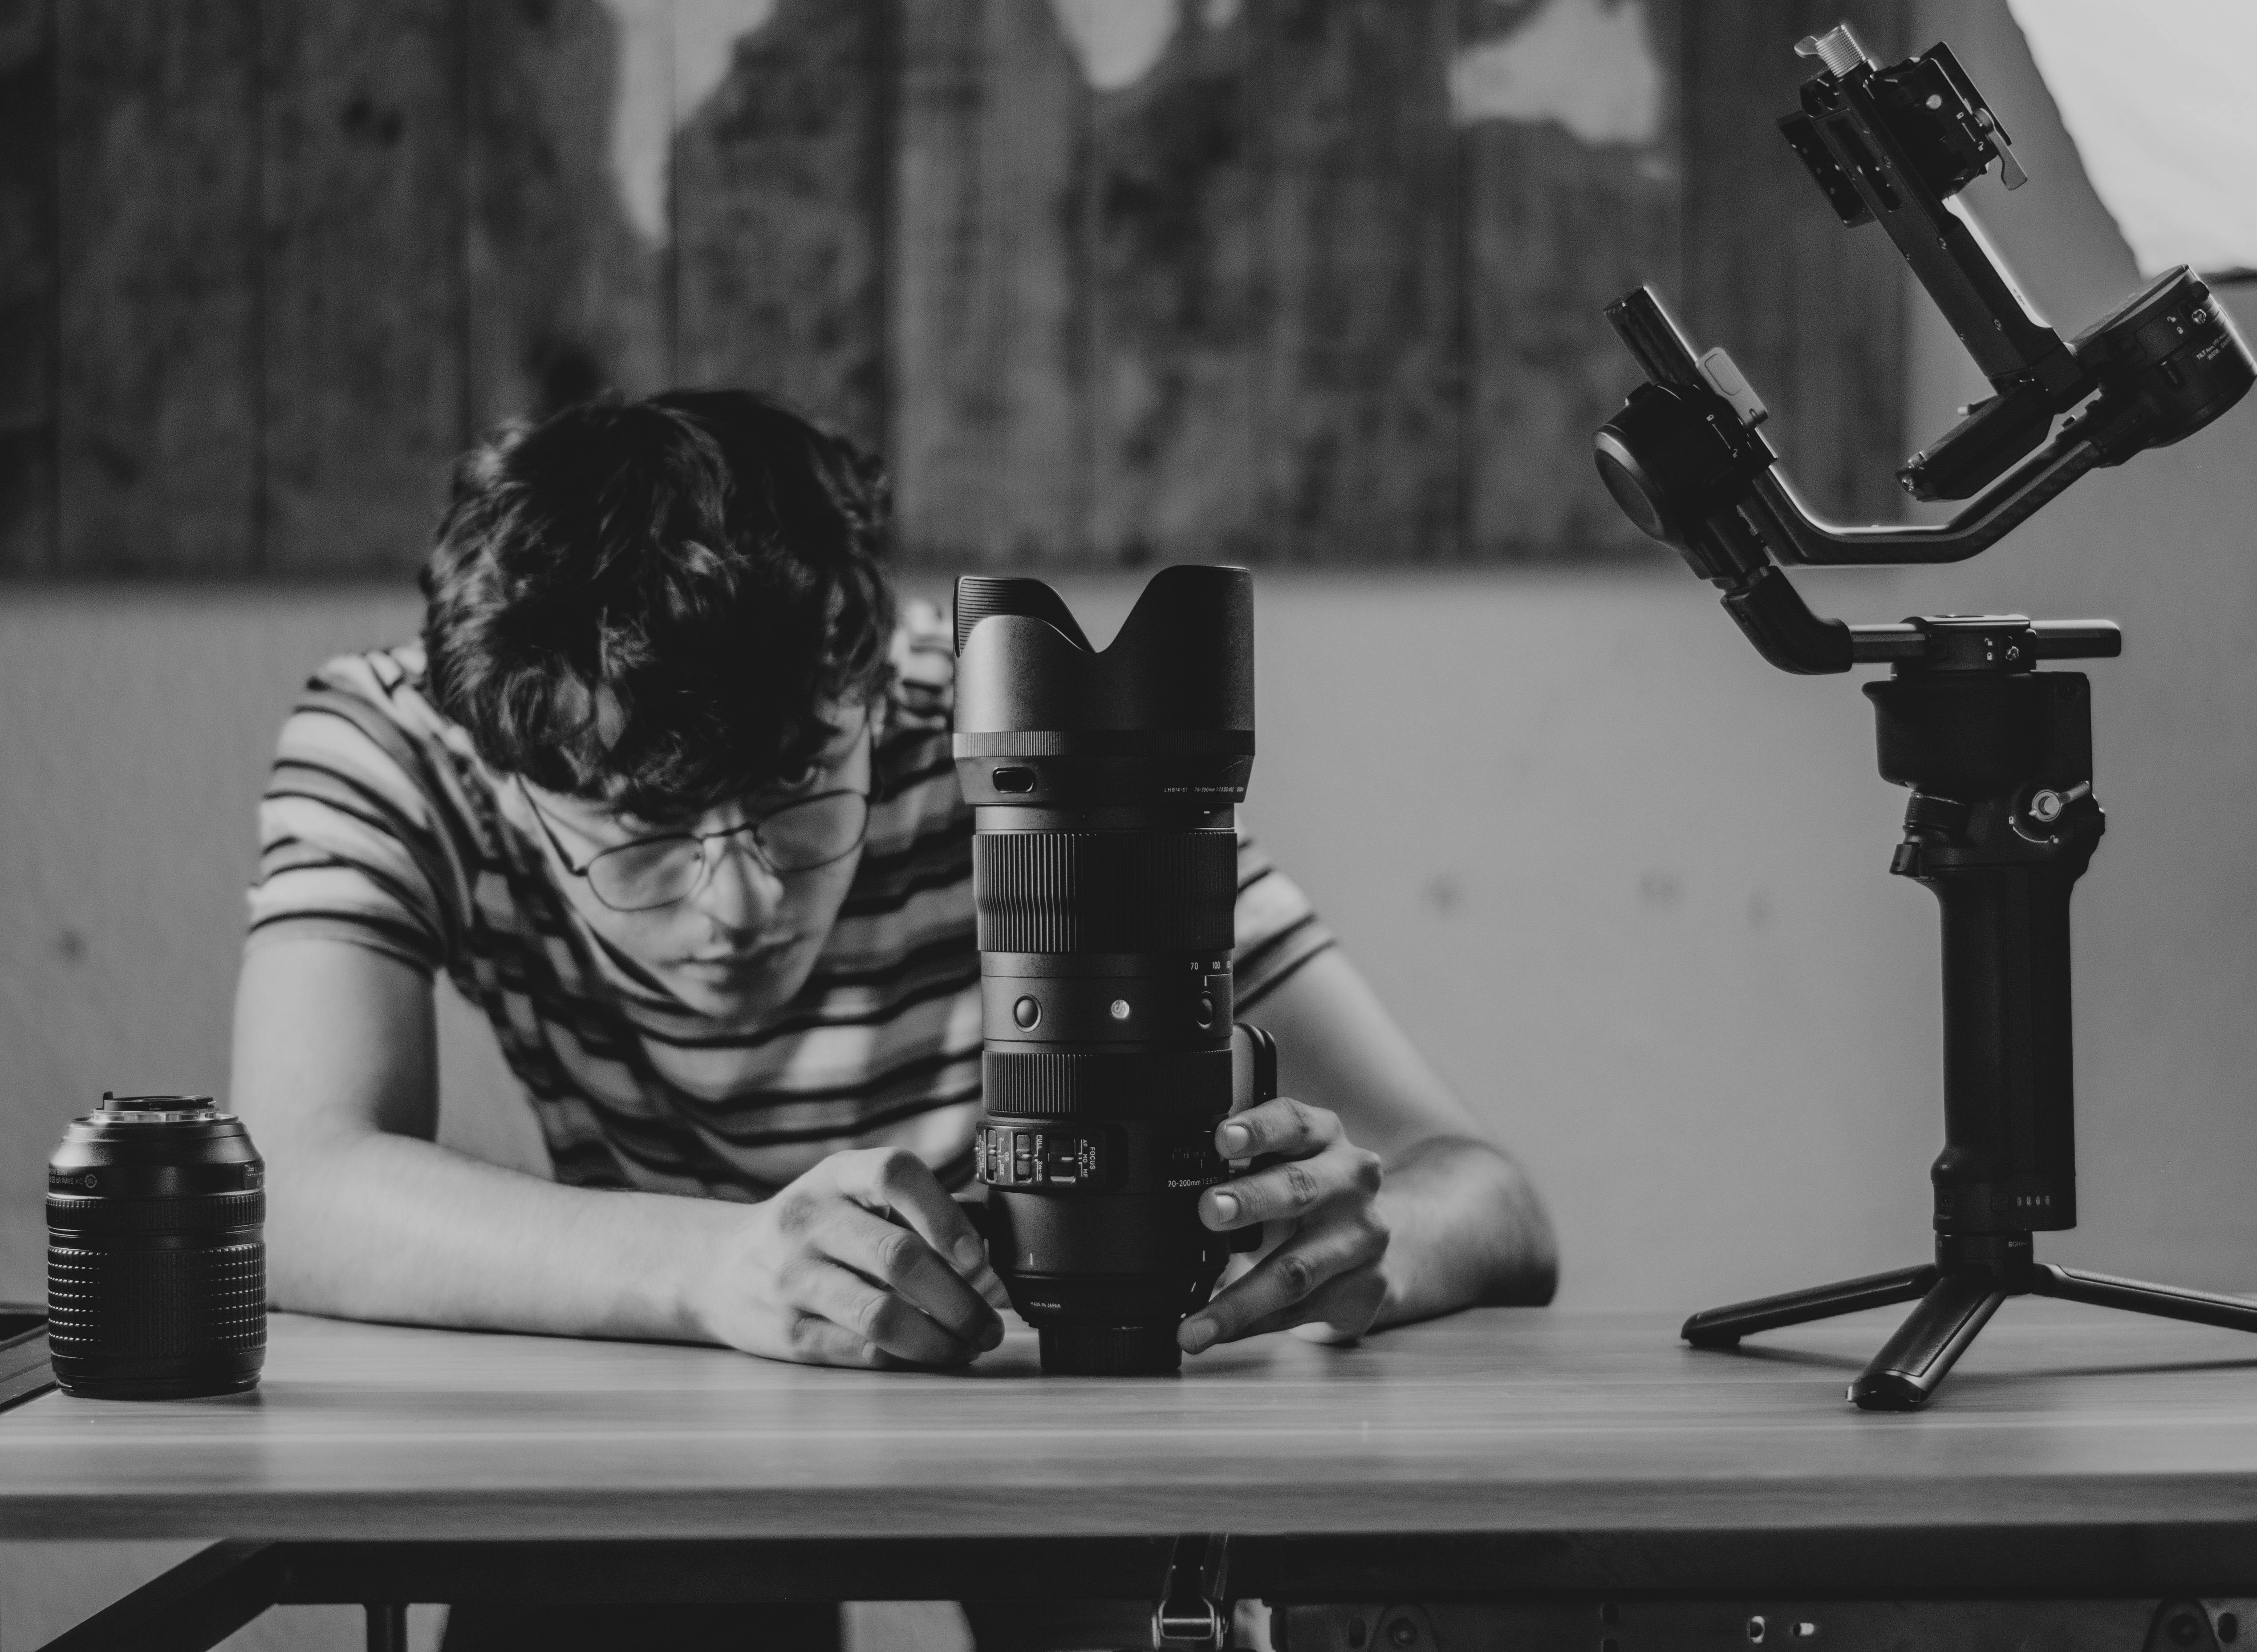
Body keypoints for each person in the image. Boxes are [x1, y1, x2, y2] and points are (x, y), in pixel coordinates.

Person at [231, 388, 1556, 1649]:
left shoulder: (1009, 729)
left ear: (871, 694)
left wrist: (1347, 1247)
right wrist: (713, 1270)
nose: (741, 899)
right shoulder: (405, 742)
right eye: (641, 830)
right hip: (646, 1380)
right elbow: (291, 1182)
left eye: (803, 788)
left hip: (1044, 1391)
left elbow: (1490, 1198)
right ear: (515, 776)